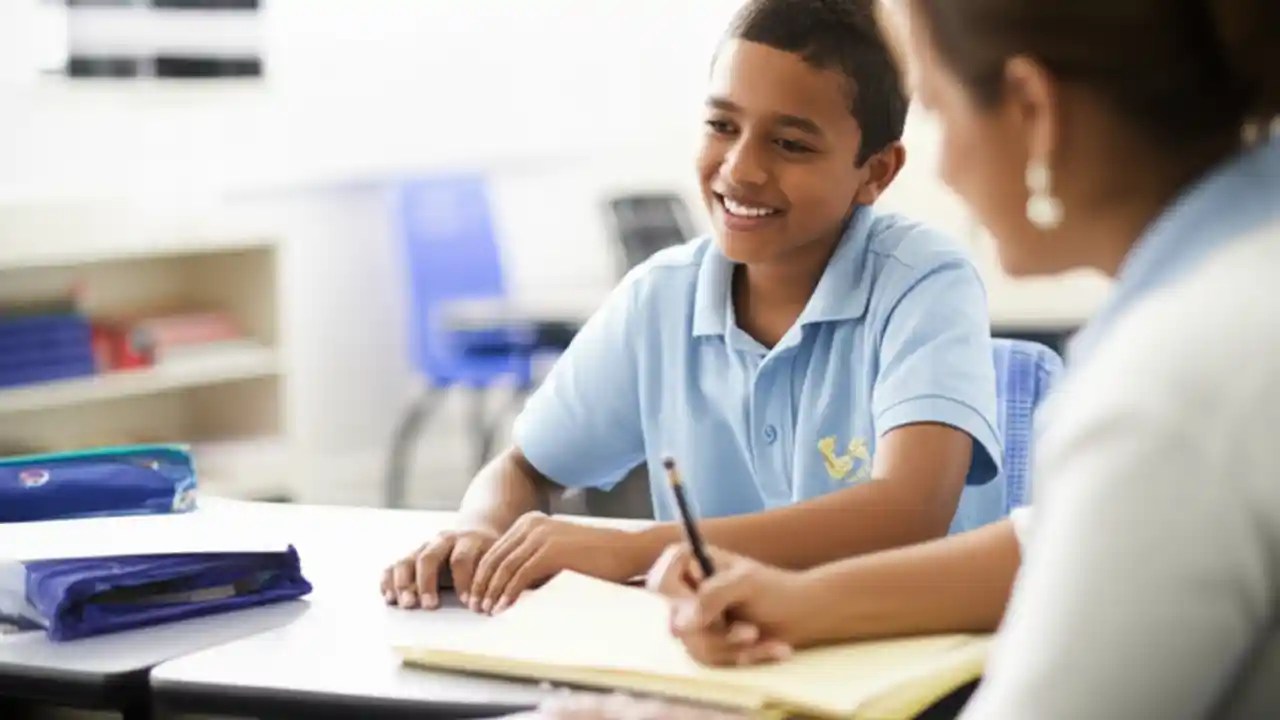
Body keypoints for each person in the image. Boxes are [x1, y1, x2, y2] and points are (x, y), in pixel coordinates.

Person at [639, 0, 1280, 717]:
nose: (943, 171)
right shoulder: (1246, 277)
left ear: (1033, 108)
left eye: (939, 111)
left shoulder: (1173, 394)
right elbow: (1065, 541)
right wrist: (803, 601)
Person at [382, 0, 1003, 617]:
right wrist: (478, 531)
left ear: (876, 172)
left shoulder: (923, 281)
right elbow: (524, 467)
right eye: (722, 126)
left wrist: (635, 549)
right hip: (722, 644)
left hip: (898, 642)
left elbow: (910, 510)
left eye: (790, 144)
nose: (741, 169)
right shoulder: (661, 299)